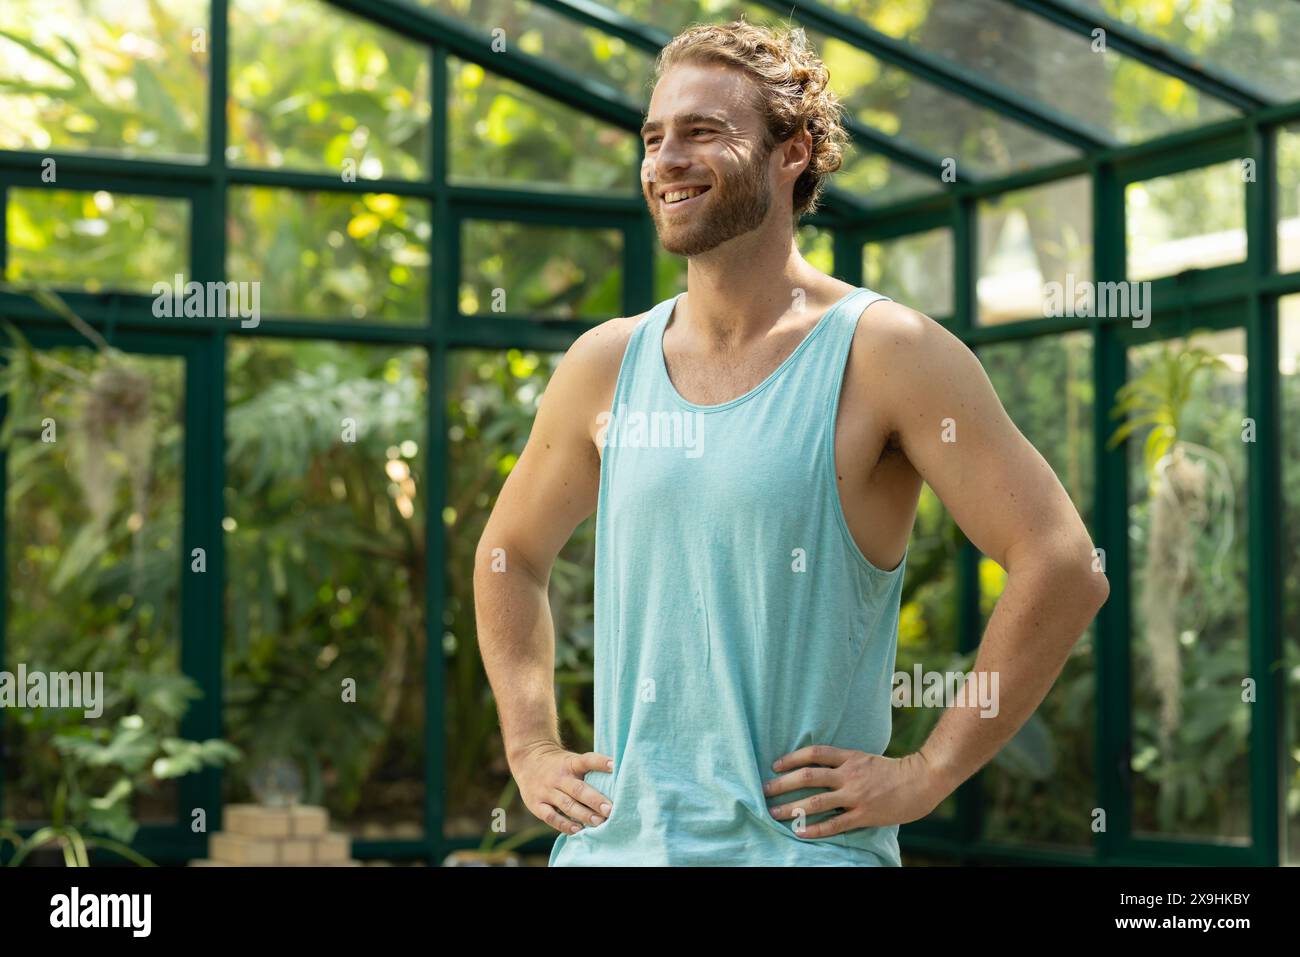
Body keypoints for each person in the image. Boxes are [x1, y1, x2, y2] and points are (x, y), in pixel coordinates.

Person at [473, 18, 1108, 866]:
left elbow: (1063, 564)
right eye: (654, 137)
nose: (665, 160)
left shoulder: (889, 354)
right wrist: (532, 746)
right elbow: (509, 553)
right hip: (612, 850)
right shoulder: (606, 364)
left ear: (793, 151)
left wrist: (928, 772)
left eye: (702, 132)